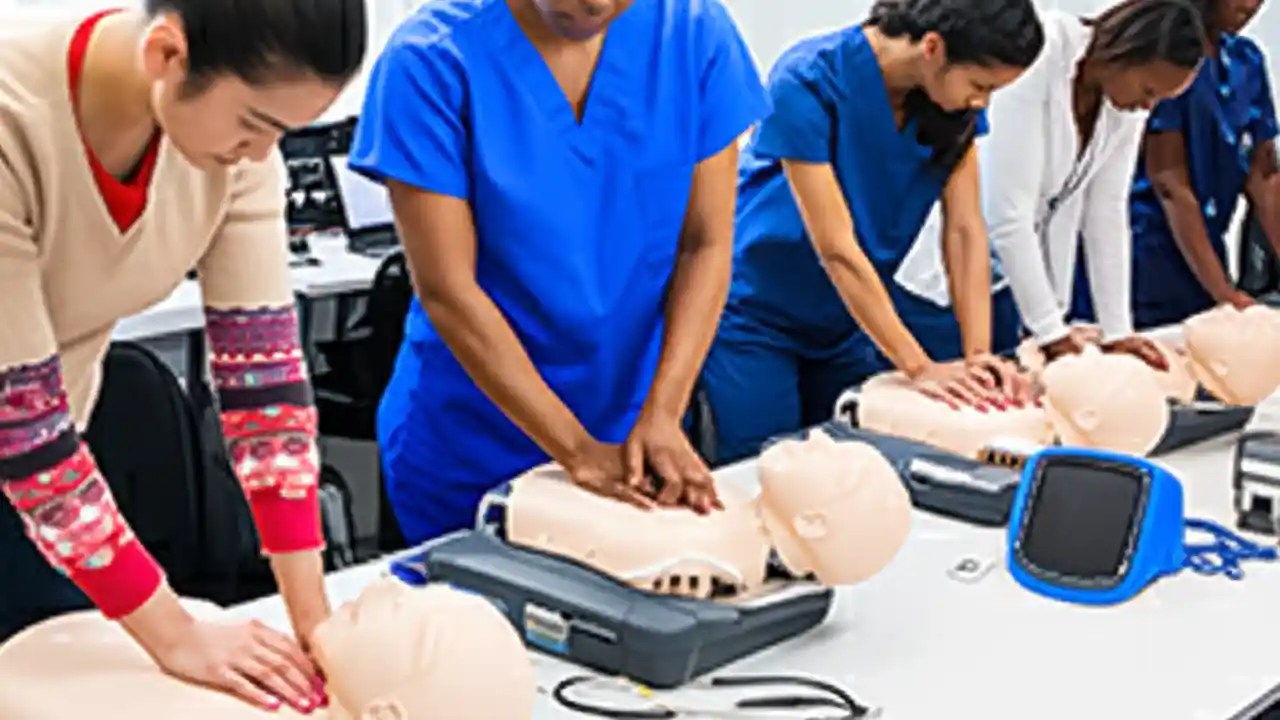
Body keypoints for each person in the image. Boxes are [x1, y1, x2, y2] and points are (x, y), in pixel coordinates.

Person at [0, 0, 365, 715]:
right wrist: (176, 636)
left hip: (46, 487)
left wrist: (313, 623)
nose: (263, 155)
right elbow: (24, 431)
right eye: (256, 125)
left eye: (285, 134)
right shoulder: (14, 121)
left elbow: (266, 392)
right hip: (33, 457)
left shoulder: (232, 152)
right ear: (168, 55)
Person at [349, 0, 770, 544]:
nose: (595, 5)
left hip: (635, 428)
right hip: (474, 439)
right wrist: (574, 448)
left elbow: (705, 244)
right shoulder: (431, 61)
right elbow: (450, 291)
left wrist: (664, 411)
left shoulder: (691, 34)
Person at [699, 0, 1045, 466]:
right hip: (757, 314)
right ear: (933, 47)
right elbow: (836, 247)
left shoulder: (948, 105)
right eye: (980, 85)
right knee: (766, 466)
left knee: (858, 467)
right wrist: (919, 367)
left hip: (849, 318)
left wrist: (977, 355)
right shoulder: (807, 79)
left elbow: (964, 232)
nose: (981, 103)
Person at [981, 0, 1205, 367]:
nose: (1148, 107)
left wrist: (1117, 331)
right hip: (954, 277)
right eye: (1148, 90)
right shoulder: (1043, 54)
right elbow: (1007, 214)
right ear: (1123, 53)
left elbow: (1107, 210)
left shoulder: (1122, 101)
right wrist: (1050, 332)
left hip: (1022, 285)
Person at [1128, 0, 1278, 328]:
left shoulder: (1246, 60)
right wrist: (1224, 294)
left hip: (1207, 256)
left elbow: (1264, 175)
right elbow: (1170, 186)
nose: (1251, 6)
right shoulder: (1167, 60)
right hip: (1147, 259)